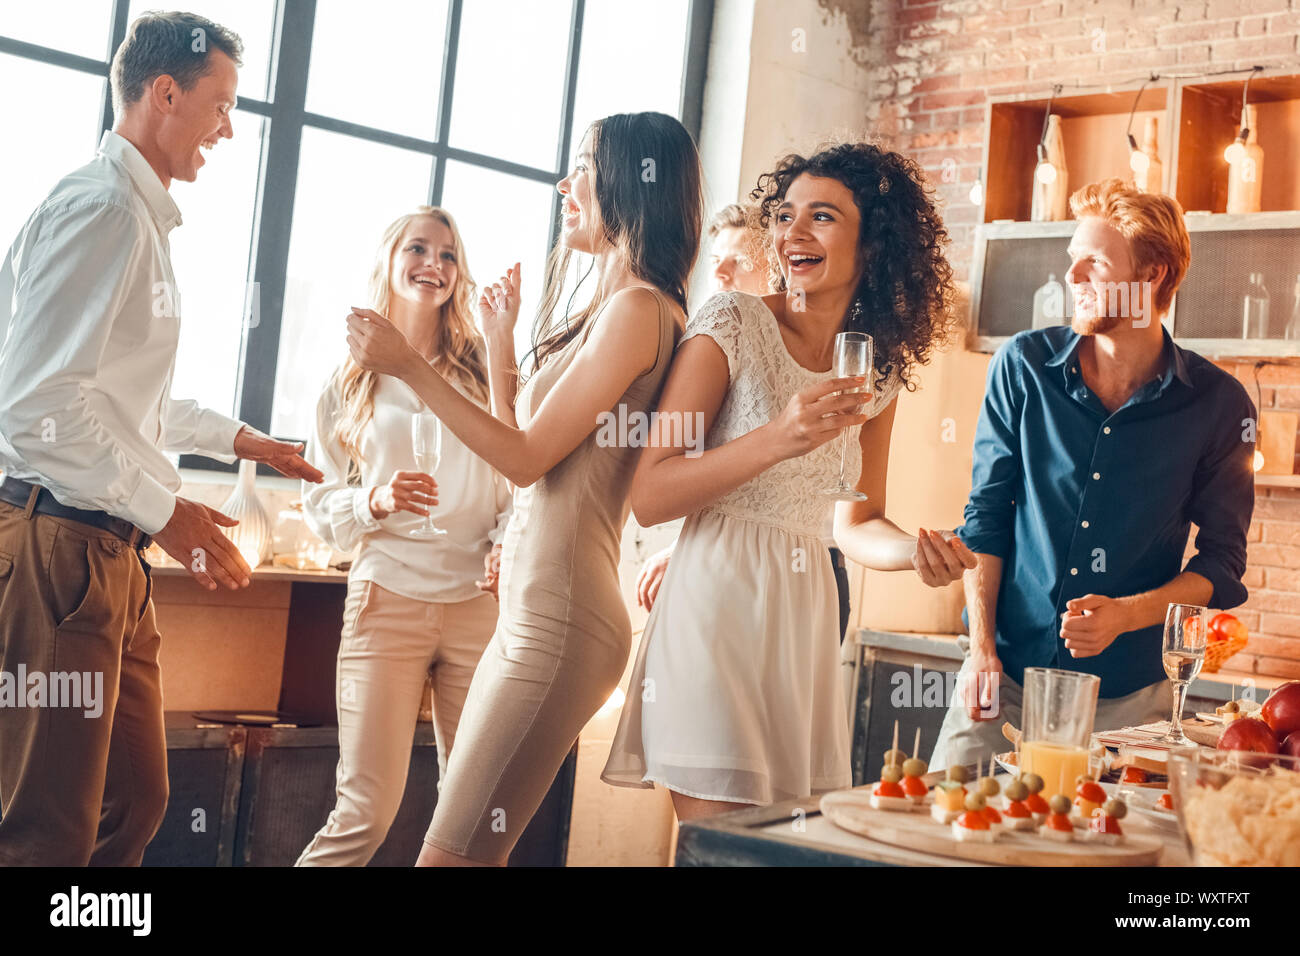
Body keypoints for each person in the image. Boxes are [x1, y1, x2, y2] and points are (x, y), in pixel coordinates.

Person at [0, 12, 321, 866]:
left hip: (111, 555)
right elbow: (36, 407)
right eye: (220, 103)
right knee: (47, 832)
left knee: (136, 804)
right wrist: (167, 511)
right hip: (60, 546)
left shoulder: (136, 219)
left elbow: (116, 398)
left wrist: (243, 439)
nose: (228, 126)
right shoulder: (103, 212)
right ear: (165, 92)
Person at [345, 111, 701, 865]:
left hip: (564, 623)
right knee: (470, 851)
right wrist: (502, 344)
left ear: (634, 185)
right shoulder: (613, 308)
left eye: (583, 167)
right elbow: (531, 447)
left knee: (450, 855)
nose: (566, 185)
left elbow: (524, 460)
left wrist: (408, 364)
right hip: (532, 612)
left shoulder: (641, 309)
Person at [602, 143, 975, 820]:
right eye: (785, 214)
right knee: (717, 844)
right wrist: (776, 439)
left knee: (778, 846)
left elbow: (857, 522)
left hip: (804, 621)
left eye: (822, 216)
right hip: (713, 607)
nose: (792, 232)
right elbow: (651, 493)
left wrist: (915, 552)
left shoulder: (876, 370)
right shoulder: (734, 322)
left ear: (875, 245)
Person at [929, 178, 1256, 771]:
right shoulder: (1022, 368)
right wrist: (980, 651)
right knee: (942, 842)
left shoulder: (1219, 405)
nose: (1071, 277)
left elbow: (1220, 565)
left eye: (1094, 263)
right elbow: (987, 517)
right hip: (1000, 684)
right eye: (1071, 259)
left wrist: (1127, 614)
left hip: (1128, 703)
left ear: (1152, 275)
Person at [295, 207, 512, 866]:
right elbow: (317, 501)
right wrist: (375, 500)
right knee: (365, 811)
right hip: (385, 600)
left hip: (477, 603)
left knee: (473, 812)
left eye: (448, 255)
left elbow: (521, 467)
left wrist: (508, 537)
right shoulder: (350, 381)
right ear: (390, 262)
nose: (434, 265)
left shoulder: (482, 371)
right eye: (418, 249)